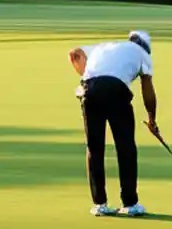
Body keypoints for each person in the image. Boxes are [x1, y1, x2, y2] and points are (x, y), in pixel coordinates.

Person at [68, 30, 159, 217]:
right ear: (145, 46)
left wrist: (86, 76)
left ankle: (100, 204)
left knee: (94, 147)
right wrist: (152, 119)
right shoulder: (142, 54)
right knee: (125, 147)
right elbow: (147, 89)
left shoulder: (106, 47)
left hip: (89, 90)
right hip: (116, 90)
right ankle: (130, 203)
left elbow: (74, 53)